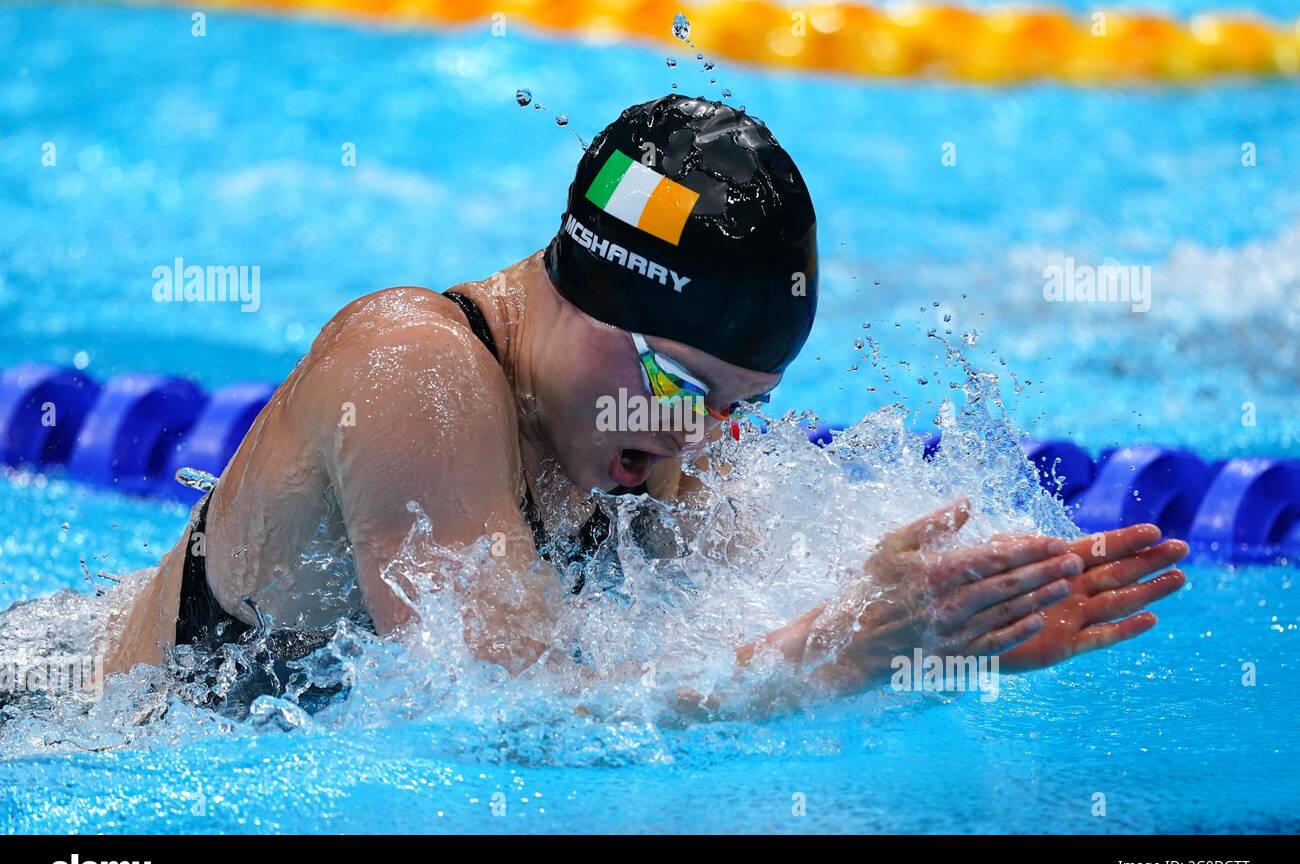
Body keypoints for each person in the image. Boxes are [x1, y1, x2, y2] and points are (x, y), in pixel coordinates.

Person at [106, 95, 1187, 713]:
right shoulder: (413, 370)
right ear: (588, 294)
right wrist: (833, 655)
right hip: (67, 731)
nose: (691, 436)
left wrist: (942, 623)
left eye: (738, 405)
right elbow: (493, 713)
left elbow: (730, 629)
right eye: (676, 383)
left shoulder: (651, 430)